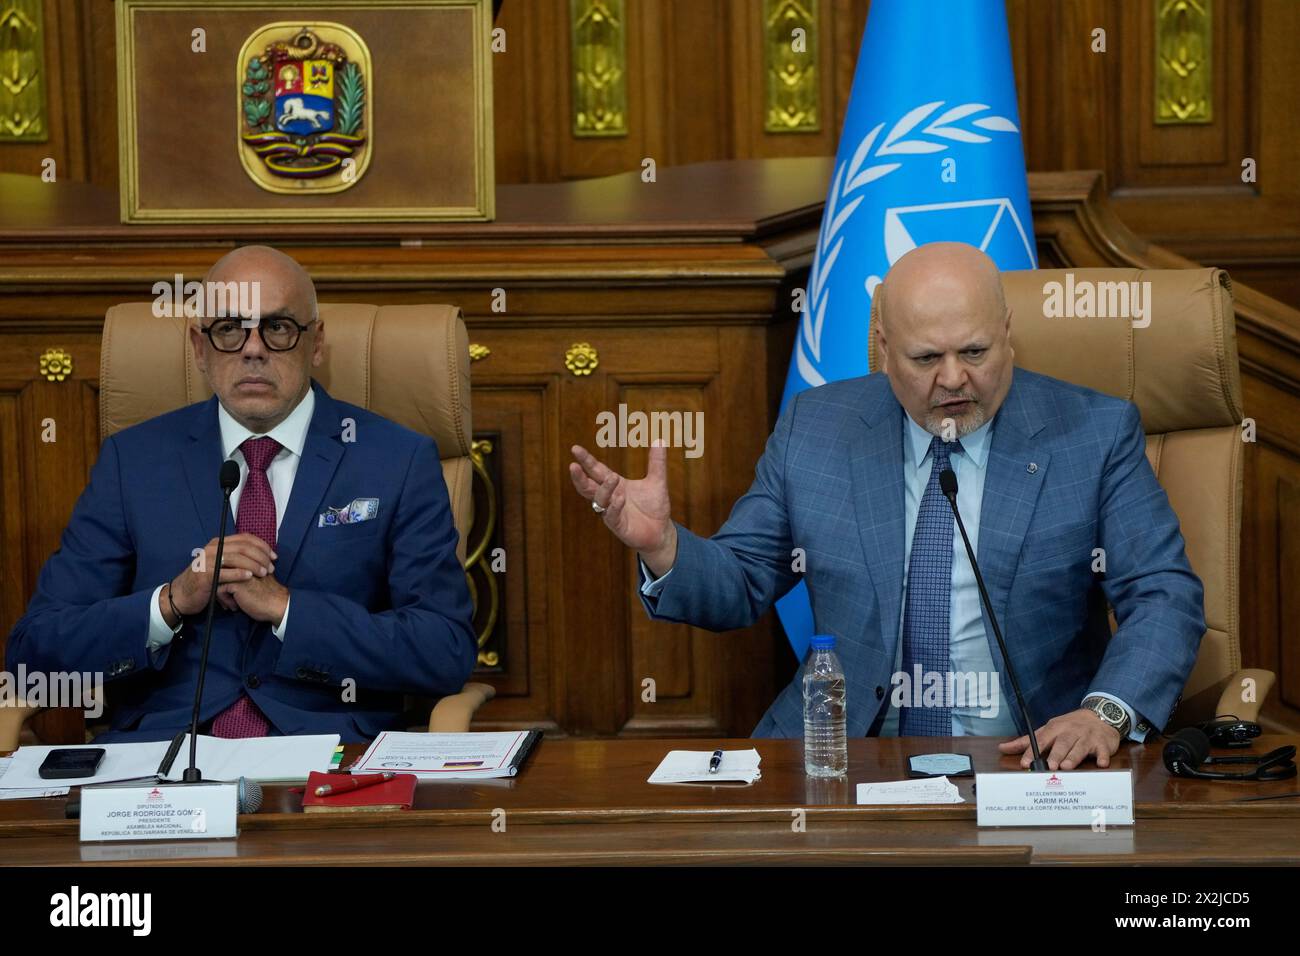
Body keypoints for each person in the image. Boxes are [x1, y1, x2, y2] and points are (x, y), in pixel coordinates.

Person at [569, 241, 1204, 771]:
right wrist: (664, 546)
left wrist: (1106, 711)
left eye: (975, 352)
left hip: (1029, 756)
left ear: (1008, 333)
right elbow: (740, 581)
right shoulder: (817, 429)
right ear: (882, 348)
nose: (954, 379)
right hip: (843, 755)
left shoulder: (1094, 434)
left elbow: (1163, 595)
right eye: (927, 358)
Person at [7, 246, 476, 742]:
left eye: (277, 327)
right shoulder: (134, 461)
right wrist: (171, 602)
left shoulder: (395, 460)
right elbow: (34, 653)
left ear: (315, 343)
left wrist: (286, 609)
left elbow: (443, 650)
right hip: (160, 772)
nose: (253, 349)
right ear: (198, 347)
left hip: (326, 759)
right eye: (229, 330)